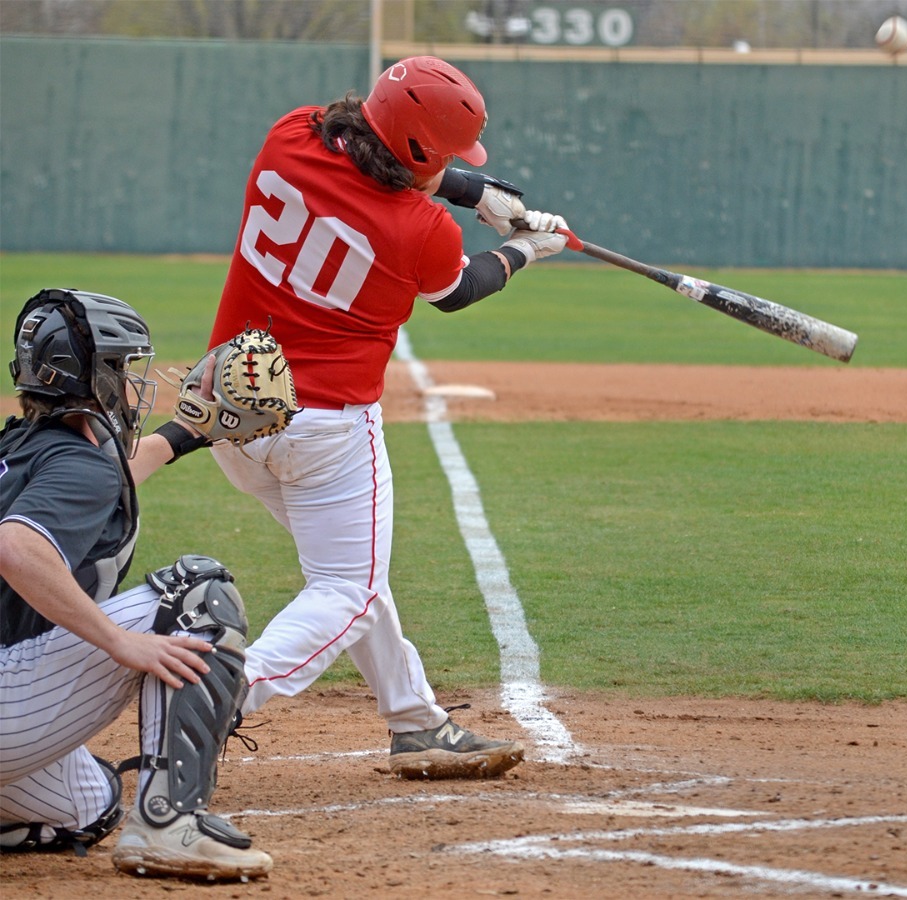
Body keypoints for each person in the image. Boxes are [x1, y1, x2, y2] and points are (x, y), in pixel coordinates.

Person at [205, 56, 566, 778]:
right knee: (349, 587)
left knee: (352, 574)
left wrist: (477, 191)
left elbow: (379, 150)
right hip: (324, 431)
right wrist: (525, 248)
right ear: (421, 156)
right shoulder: (420, 229)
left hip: (227, 408)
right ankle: (222, 694)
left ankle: (416, 722)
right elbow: (458, 290)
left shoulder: (289, 134)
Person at [1, 289, 272, 880]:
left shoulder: (19, 447)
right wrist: (119, 641)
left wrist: (189, 431)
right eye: (123, 369)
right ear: (93, 377)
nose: (132, 385)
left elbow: (105, 479)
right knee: (198, 594)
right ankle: (169, 824)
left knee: (89, 804)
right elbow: (17, 547)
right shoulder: (79, 459)